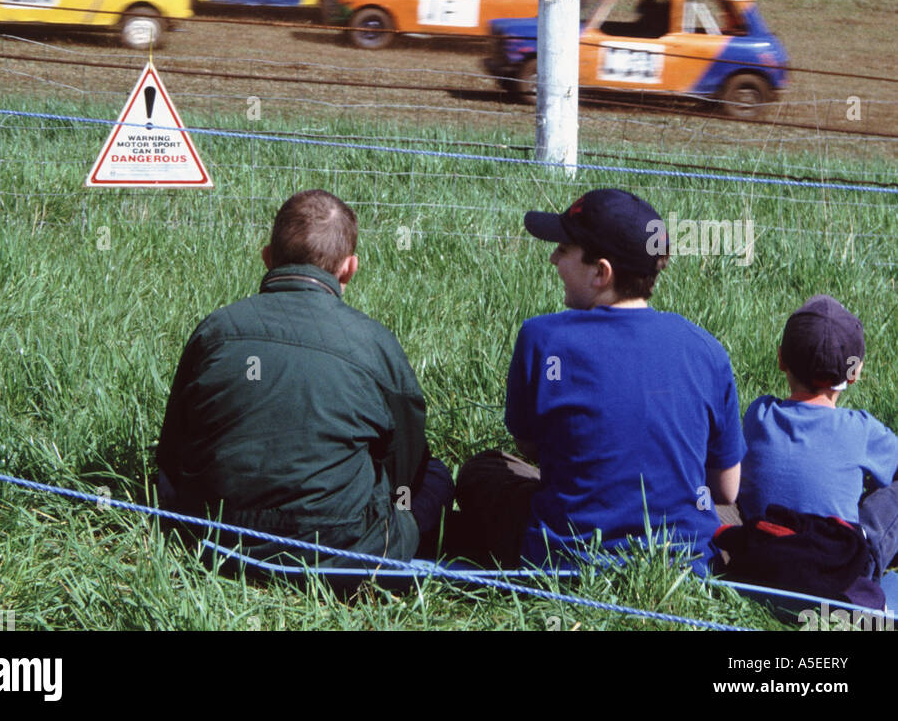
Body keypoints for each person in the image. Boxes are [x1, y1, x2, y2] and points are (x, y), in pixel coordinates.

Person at [454, 188, 745, 575]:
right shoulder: (707, 350)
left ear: (601, 272)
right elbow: (726, 490)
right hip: (685, 564)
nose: (553, 257)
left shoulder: (542, 338)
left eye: (564, 248)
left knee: (482, 470)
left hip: (564, 561)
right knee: (730, 506)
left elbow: (531, 445)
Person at [157, 189, 453, 569]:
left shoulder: (216, 329)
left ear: (267, 257)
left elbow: (173, 448)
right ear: (350, 268)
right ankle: (407, 543)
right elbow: (405, 464)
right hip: (344, 547)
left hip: (211, 536)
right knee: (435, 476)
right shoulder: (375, 342)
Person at [735, 295, 898, 609]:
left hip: (768, 551)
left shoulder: (759, 414)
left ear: (781, 359)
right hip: (839, 567)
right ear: (855, 373)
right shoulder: (861, 429)